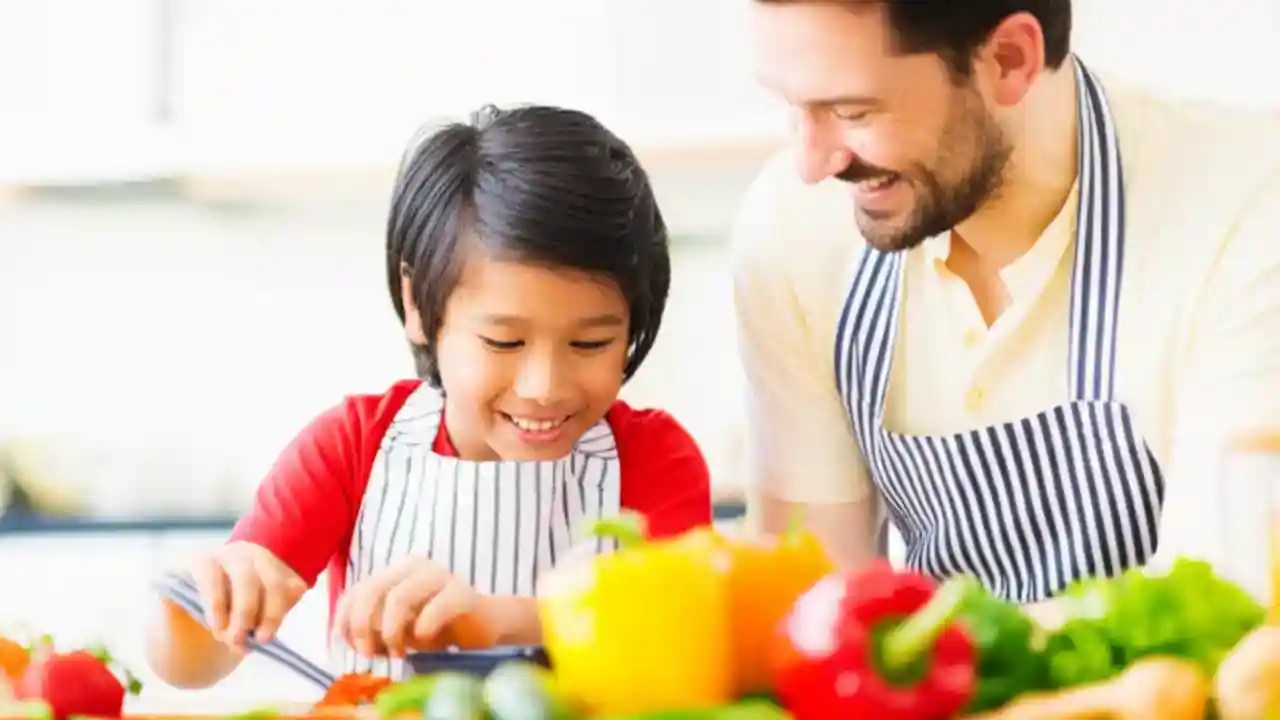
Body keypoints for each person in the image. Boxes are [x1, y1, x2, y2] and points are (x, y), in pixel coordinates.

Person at [731, 0, 1280, 604]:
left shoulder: (1248, 205)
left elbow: (1230, 617)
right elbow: (816, 603)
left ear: (1010, 60)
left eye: (853, 111)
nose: (812, 163)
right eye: (790, 105)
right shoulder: (792, 224)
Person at [145, 105, 712, 686]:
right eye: (504, 340)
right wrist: (207, 604)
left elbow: (683, 638)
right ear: (418, 305)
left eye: (590, 343)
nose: (544, 387)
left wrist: (495, 623)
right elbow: (192, 669)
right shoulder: (352, 448)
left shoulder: (653, 460)